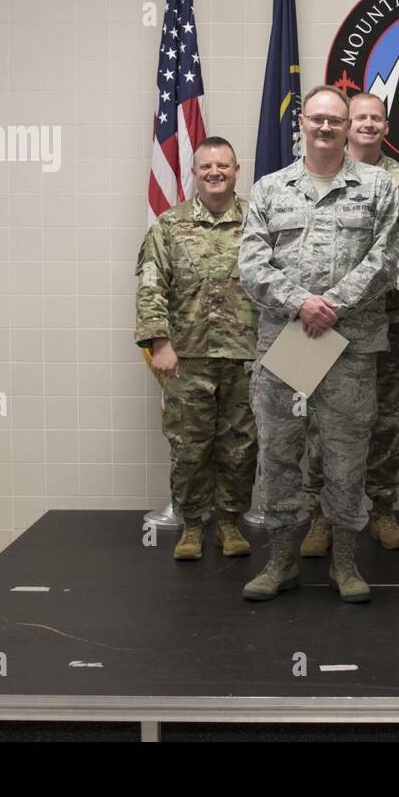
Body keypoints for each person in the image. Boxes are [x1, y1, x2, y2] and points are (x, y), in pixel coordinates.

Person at [238, 85, 399, 603]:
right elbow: (251, 265)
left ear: (350, 125)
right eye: (318, 119)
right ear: (302, 124)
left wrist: (332, 303)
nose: (327, 128)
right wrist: (300, 303)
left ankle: (345, 562)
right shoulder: (269, 189)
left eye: (337, 120)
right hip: (285, 343)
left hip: (349, 346)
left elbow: (387, 256)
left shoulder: (378, 187)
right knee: (279, 453)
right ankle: (282, 560)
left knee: (347, 454)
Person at [300, 92, 399, 553]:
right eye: (360, 117)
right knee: (321, 421)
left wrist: (375, 282)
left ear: (386, 126)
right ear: (345, 123)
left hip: (388, 317)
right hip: (324, 321)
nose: (368, 124)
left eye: (377, 118)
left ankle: (382, 509)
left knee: (387, 418)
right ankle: (321, 515)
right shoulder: (317, 174)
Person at [134, 137, 259, 561]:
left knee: (240, 446)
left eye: (223, 165)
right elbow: (151, 285)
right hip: (187, 356)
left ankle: (228, 522)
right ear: (194, 172)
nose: (215, 173)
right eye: (206, 166)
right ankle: (191, 524)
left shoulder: (259, 224)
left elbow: (277, 285)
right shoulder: (169, 226)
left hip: (247, 355)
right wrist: (159, 343)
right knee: (190, 445)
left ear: (236, 169)